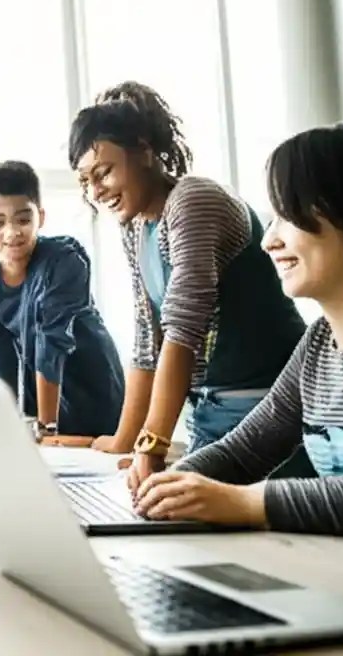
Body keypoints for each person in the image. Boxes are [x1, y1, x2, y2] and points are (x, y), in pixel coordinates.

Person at [133, 125, 343, 542]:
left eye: (288, 216)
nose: (268, 241)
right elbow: (245, 450)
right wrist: (171, 486)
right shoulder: (320, 342)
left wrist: (245, 503)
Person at [68, 82, 307, 488]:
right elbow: (149, 337)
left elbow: (183, 330)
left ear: (144, 150)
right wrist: (125, 443)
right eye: (85, 180)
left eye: (104, 172)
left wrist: (152, 444)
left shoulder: (193, 201)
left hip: (267, 412)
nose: (96, 190)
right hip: (208, 415)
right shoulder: (137, 225)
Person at [0, 160, 124, 438]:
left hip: (89, 384)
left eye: (23, 220)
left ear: (40, 217)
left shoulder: (65, 260)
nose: (12, 233)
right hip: (36, 387)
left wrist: (47, 429)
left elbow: (51, 343)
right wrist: (12, 421)